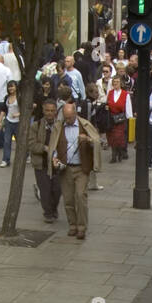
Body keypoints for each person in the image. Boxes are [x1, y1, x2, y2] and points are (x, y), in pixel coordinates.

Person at [46, 100, 101, 240]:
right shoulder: (59, 127)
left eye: (70, 117)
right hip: (66, 169)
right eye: (65, 117)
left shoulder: (84, 125)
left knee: (80, 196)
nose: (68, 120)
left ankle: (82, 227)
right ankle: (73, 225)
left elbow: (97, 141)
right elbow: (54, 146)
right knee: (68, 199)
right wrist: (54, 158)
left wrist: (88, 139)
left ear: (75, 113)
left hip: (82, 168)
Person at [28, 99, 62, 222]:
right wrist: (45, 148)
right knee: (45, 189)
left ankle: (54, 208)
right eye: (47, 110)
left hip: (56, 163)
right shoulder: (35, 126)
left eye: (52, 111)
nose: (49, 113)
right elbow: (31, 144)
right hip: (41, 164)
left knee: (57, 189)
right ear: (43, 111)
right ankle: (48, 212)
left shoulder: (60, 126)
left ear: (56, 112)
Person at [105, 74, 133, 162]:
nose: (115, 84)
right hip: (111, 118)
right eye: (114, 82)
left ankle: (120, 152)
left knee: (119, 137)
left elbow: (128, 108)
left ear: (121, 83)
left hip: (121, 119)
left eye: (117, 82)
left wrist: (129, 117)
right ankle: (114, 156)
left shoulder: (125, 94)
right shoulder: (110, 93)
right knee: (112, 137)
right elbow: (107, 103)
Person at [0, 80, 21, 167]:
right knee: (7, 141)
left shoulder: (20, 97)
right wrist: (0, 121)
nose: (11, 88)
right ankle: (5, 160)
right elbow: (3, 110)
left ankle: (23, 157)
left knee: (19, 142)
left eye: (12, 86)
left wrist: (18, 114)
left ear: (16, 87)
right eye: (9, 87)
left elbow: (25, 109)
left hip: (18, 122)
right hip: (8, 121)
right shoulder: (6, 97)